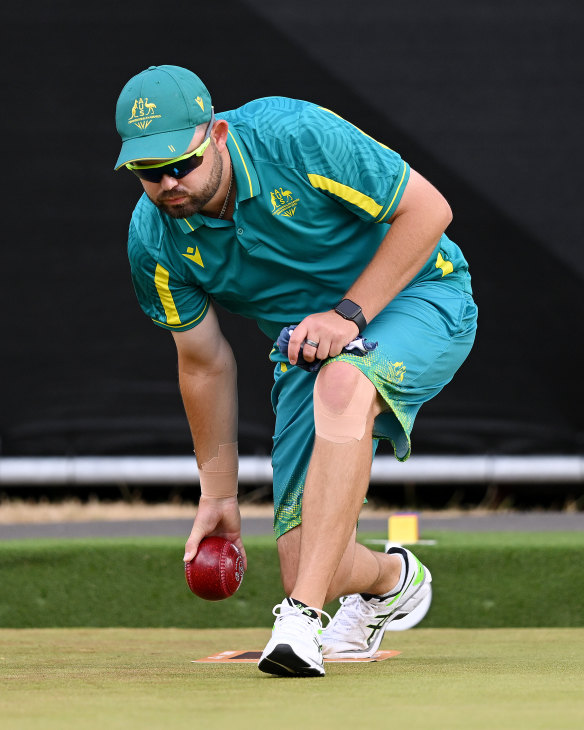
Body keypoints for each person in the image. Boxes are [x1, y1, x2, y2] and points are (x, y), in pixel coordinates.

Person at [114, 65, 477, 678]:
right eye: (151, 172)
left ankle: (300, 620)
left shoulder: (295, 135)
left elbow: (429, 209)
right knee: (317, 559)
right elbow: (203, 364)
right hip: (307, 350)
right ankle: (393, 580)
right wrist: (218, 493)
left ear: (219, 135)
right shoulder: (154, 240)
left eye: (184, 163)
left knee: (345, 381)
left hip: (420, 294)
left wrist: (347, 314)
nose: (170, 183)